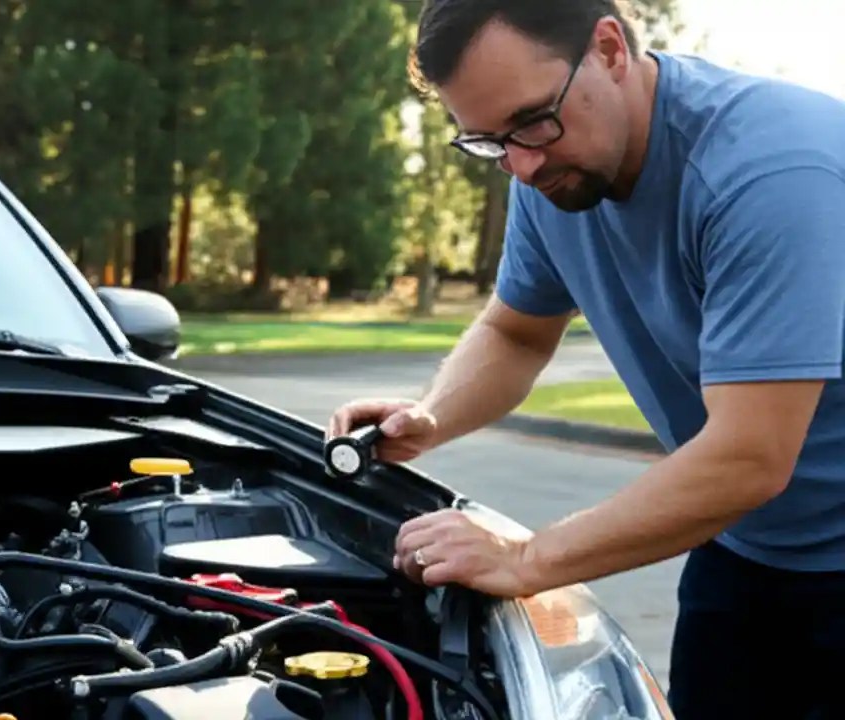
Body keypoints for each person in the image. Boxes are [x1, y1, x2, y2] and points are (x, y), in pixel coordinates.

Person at [325, 1, 845, 717]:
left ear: (609, 48)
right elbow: (516, 333)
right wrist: (432, 415)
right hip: (748, 552)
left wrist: (526, 559)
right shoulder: (550, 174)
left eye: (534, 121)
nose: (522, 163)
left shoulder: (770, 170)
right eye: (489, 141)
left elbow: (749, 457)